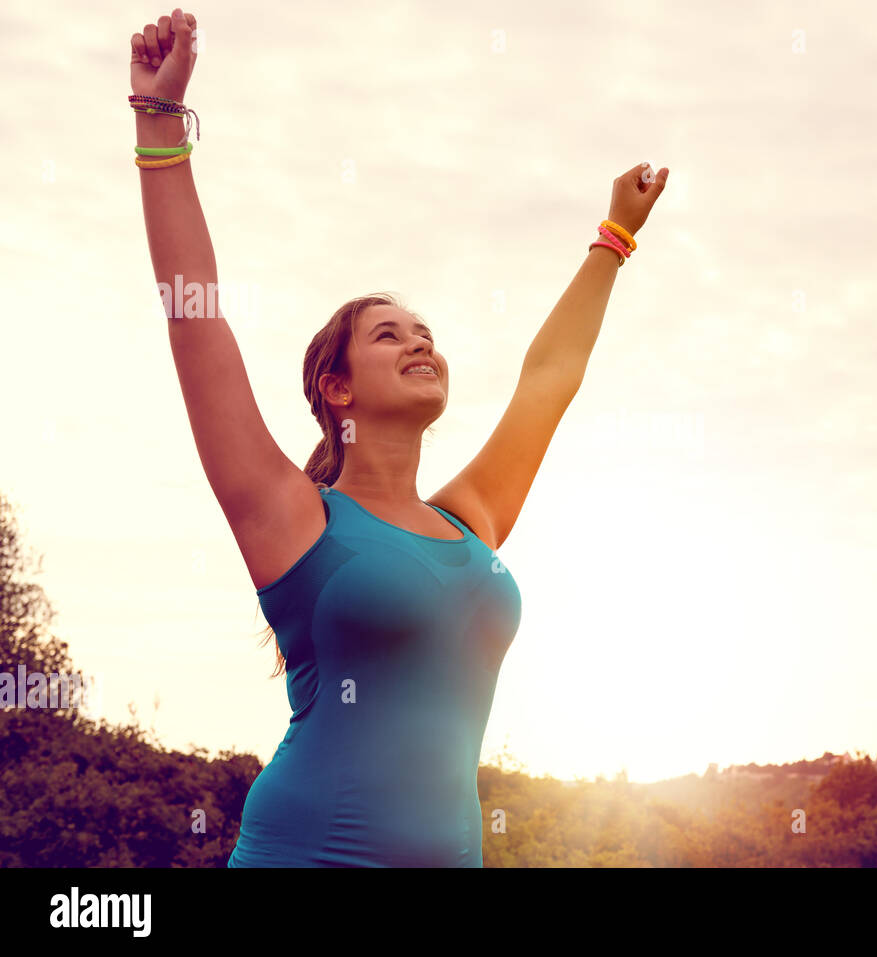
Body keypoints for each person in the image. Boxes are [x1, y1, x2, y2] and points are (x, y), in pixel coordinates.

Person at [129, 7, 669, 866]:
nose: (421, 341)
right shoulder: (291, 519)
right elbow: (196, 317)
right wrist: (158, 120)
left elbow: (547, 383)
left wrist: (615, 237)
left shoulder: (470, 524)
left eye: (424, 331)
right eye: (389, 335)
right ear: (336, 387)